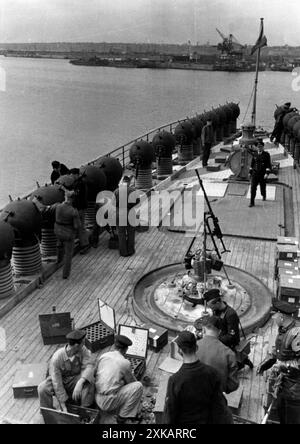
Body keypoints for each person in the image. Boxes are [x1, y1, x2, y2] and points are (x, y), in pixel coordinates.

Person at [164, 331, 233, 424]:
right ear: (196, 348)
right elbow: (219, 406)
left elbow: (170, 413)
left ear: (180, 351)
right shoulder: (213, 373)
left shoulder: (175, 380)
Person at [256, 299, 300, 424]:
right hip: (284, 386)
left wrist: (283, 366)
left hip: (295, 392)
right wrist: (265, 364)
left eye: (274, 315)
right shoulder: (283, 330)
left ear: (281, 316)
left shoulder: (296, 333)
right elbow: (278, 352)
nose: (273, 318)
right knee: (282, 415)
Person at [38, 330, 95, 412]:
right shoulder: (56, 358)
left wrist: (80, 382)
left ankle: (84, 409)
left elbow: (89, 366)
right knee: (42, 388)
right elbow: (57, 383)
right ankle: (47, 411)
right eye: (83, 342)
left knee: (89, 380)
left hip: (74, 379)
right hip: (60, 380)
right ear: (76, 345)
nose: (84, 344)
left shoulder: (83, 350)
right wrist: (63, 406)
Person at [95, 335, 143, 424]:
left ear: (114, 346)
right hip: (108, 402)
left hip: (97, 397)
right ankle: (122, 417)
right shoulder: (124, 363)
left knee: (119, 381)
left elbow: (95, 373)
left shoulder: (104, 355)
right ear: (125, 349)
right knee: (138, 386)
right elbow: (132, 382)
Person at [33, 189, 80, 279]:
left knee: (60, 245)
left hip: (58, 231)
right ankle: (65, 274)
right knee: (68, 254)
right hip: (68, 234)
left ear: (65, 197)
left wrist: (36, 201)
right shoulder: (74, 211)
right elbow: (77, 226)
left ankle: (59, 260)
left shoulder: (57, 206)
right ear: (73, 200)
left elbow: (44, 209)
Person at [203, 288, 254, 370]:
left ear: (218, 302)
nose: (211, 309)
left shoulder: (230, 314)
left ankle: (243, 363)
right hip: (220, 338)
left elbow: (232, 336)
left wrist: (216, 339)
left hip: (229, 343)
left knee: (232, 359)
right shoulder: (217, 310)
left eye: (211, 307)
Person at [196, 315, 239, 394]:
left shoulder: (193, 347)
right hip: (216, 399)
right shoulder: (229, 354)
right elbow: (233, 384)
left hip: (195, 395)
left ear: (203, 329)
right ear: (219, 332)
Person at [113, 175, 139, 257]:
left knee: (121, 233)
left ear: (122, 182)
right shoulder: (133, 190)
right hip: (130, 212)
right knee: (131, 232)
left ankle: (123, 252)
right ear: (128, 183)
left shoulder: (116, 191)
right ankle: (130, 250)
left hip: (119, 213)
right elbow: (138, 201)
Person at [69, 168, 90, 254]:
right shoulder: (80, 182)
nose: (71, 177)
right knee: (80, 226)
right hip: (80, 207)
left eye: (72, 175)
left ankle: (85, 245)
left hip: (80, 207)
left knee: (80, 227)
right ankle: (84, 242)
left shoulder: (79, 183)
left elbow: (76, 194)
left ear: (76, 174)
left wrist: (66, 191)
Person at [248, 139, 272, 208]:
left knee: (262, 188)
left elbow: (268, 165)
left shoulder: (266, 155)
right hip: (255, 174)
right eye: (258, 147)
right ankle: (252, 202)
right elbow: (252, 164)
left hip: (262, 174)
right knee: (253, 188)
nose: (259, 148)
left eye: (261, 146)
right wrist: (250, 172)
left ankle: (263, 195)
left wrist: (267, 174)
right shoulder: (255, 154)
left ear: (263, 147)